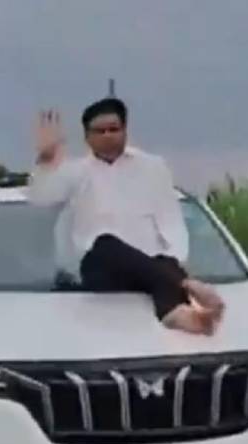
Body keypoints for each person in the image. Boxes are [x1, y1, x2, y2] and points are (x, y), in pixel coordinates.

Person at [27, 98, 225, 335]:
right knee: (106, 243)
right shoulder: (75, 172)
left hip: (153, 268)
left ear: (125, 130)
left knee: (163, 264)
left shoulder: (153, 167)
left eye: (114, 129)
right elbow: (41, 198)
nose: (108, 135)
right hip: (101, 272)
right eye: (100, 131)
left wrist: (176, 260)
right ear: (87, 137)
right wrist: (46, 159)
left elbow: (169, 218)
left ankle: (181, 316)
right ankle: (184, 288)